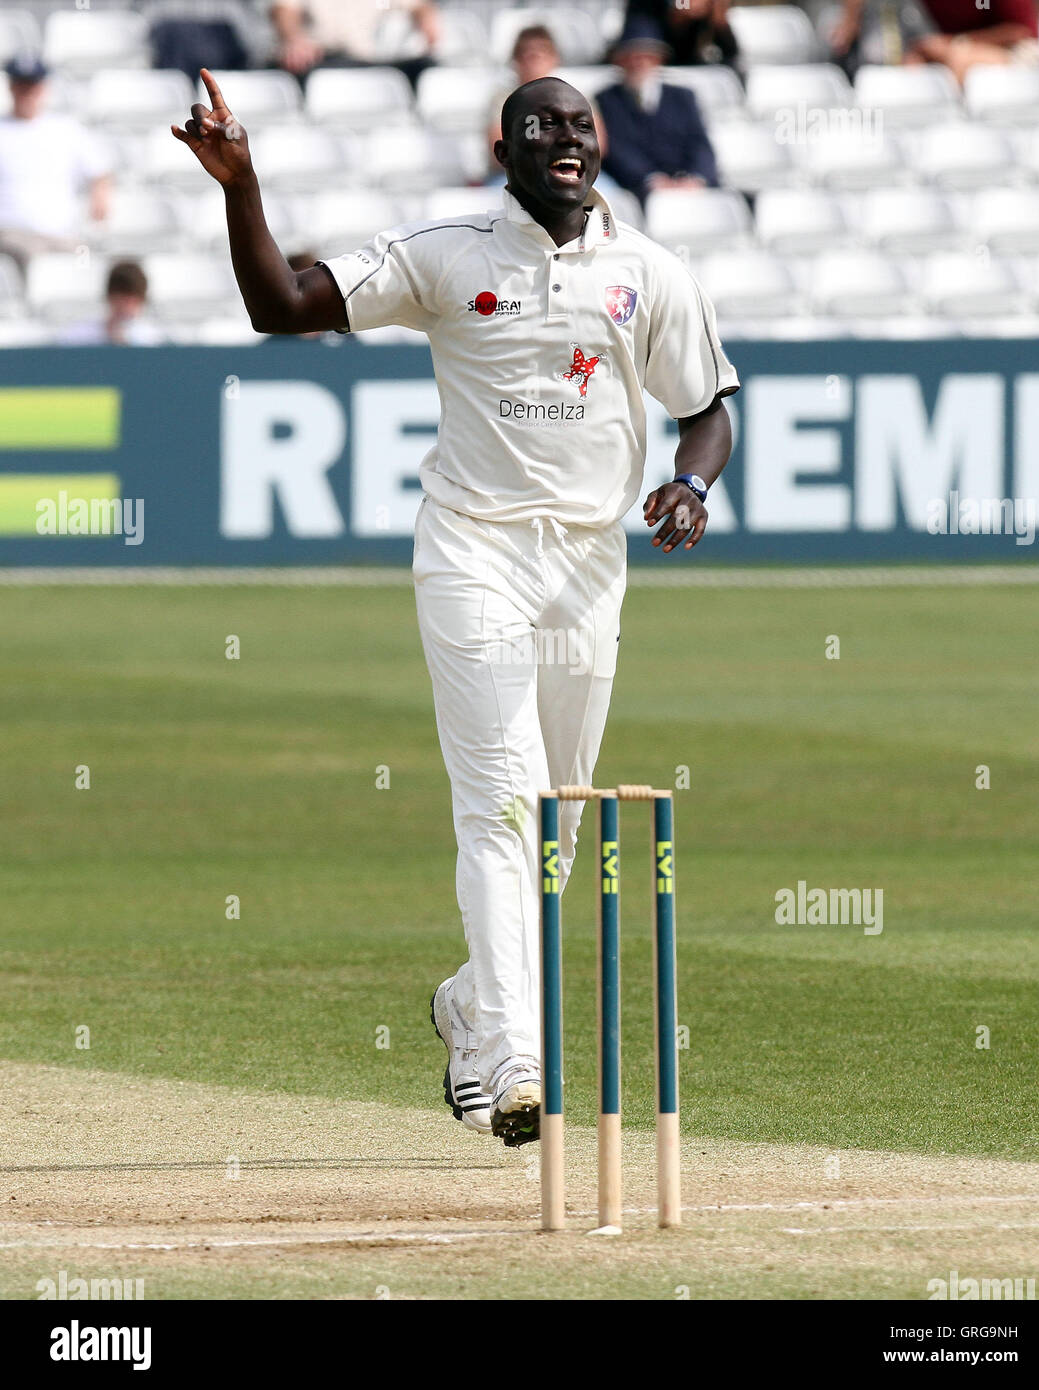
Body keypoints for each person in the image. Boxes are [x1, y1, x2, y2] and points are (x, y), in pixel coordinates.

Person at [172, 68, 737, 1147]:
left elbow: (707, 406)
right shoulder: (446, 255)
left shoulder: (649, 271)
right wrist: (241, 186)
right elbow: (280, 306)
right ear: (502, 149)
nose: (568, 137)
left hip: (588, 565)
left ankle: (471, 1004)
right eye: (544, 124)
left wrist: (692, 483)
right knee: (500, 807)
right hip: (474, 549)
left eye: (582, 124)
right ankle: (516, 1055)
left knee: (557, 829)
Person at [0, 54, 112, 273]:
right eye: (21, 85)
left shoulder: (66, 129)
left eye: (32, 86)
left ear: (43, 88)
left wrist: (99, 202)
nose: (27, 93)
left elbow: (99, 172)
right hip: (12, 234)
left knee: (85, 264)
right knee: (32, 262)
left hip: (63, 235)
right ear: (12, 87)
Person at [485, 25, 621, 196]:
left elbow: (598, 144)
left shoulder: (577, 96)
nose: (534, 58)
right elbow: (500, 145)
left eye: (542, 51)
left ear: (555, 58)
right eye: (526, 53)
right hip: (513, 175)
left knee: (611, 194)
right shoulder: (503, 99)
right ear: (516, 60)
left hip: (571, 168)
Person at [597, 19, 719, 205]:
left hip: (690, 184)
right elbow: (614, 149)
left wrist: (697, 178)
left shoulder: (682, 96)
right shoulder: (606, 100)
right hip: (638, 189)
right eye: (631, 56)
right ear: (619, 61)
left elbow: (700, 143)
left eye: (646, 56)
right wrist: (650, 179)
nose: (638, 63)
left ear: (658, 59)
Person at [830, 0, 1039, 83]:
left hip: (1015, 52)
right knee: (912, 62)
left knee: (960, 58)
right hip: (942, 52)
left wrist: (956, 43)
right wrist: (851, 16)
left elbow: (1021, 32)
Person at [267, 0, 440, 89]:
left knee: (427, 70)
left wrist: (427, 21)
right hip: (324, 60)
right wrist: (294, 39)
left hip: (372, 62)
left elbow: (418, 6)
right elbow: (285, 11)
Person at [58, 260, 167, 345]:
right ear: (109, 298)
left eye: (132, 302)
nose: (126, 308)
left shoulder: (153, 339)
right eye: (121, 301)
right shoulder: (77, 337)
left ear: (142, 301)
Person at [622, 0, 739, 68]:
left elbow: (731, 55)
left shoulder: (707, 7)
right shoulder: (645, 8)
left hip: (694, 71)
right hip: (657, 72)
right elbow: (641, 51)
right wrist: (679, 16)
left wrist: (720, 23)